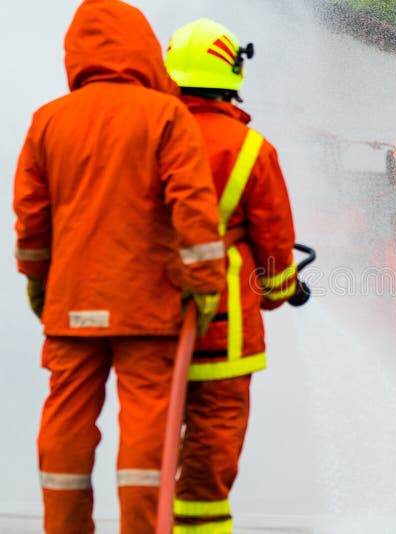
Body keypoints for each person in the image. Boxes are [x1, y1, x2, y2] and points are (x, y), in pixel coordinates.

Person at [13, 1, 226, 532]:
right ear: (145, 52)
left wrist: (39, 284)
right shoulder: (166, 116)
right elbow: (193, 211)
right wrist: (206, 288)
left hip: (70, 305)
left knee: (65, 424)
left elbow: (32, 220)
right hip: (146, 306)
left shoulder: (47, 121)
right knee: (146, 434)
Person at [164, 18, 297, 532]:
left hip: (151, 320)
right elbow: (274, 244)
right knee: (212, 440)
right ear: (232, 71)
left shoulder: (148, 135)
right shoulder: (249, 149)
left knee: (151, 438)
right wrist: (283, 292)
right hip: (224, 328)